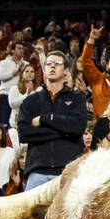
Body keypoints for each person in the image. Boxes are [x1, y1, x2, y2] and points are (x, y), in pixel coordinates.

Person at [17, 48, 88, 189]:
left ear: (66, 70)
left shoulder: (77, 98)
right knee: (32, 212)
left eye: (57, 63)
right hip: (37, 171)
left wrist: (47, 119)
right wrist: (63, 132)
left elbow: (78, 128)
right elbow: (24, 133)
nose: (52, 66)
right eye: (49, 64)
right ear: (44, 70)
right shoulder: (31, 101)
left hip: (68, 170)